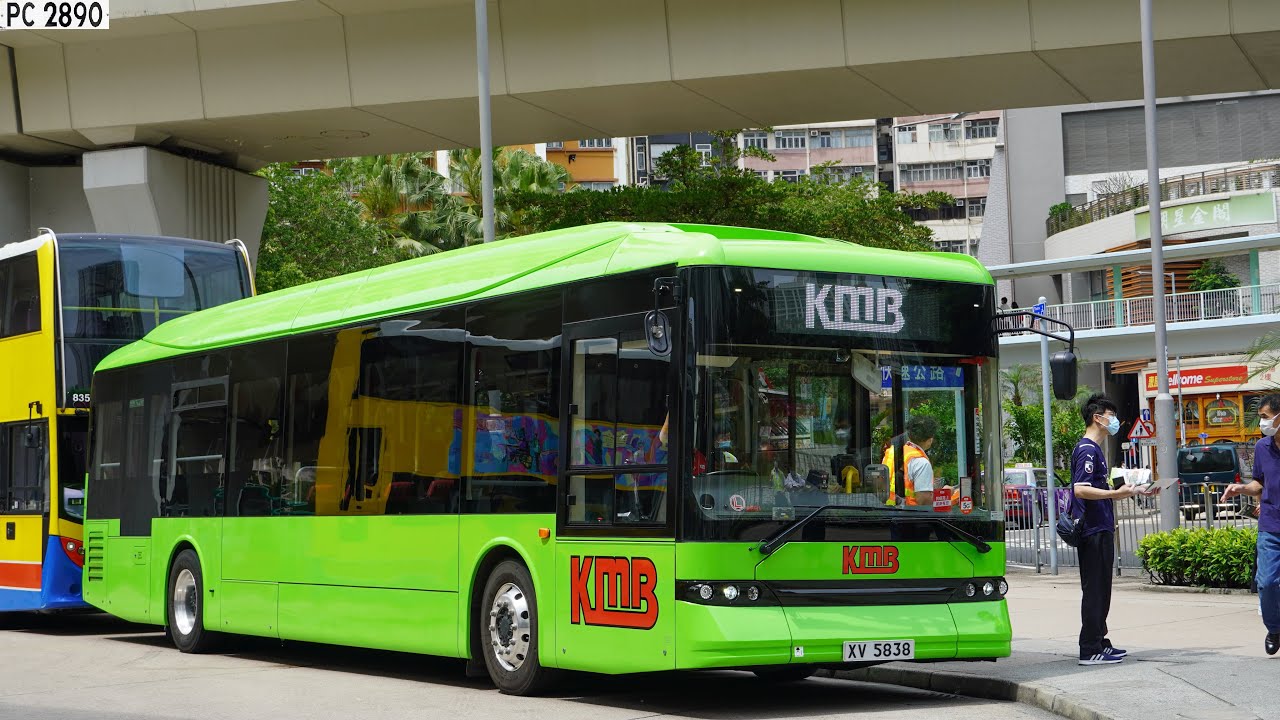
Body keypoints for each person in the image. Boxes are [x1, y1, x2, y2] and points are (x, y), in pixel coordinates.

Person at [1070, 394, 1138, 665]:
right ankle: (1089, 649)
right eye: (1111, 416)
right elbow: (1081, 489)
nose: (1115, 422)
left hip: (1101, 527)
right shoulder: (1087, 449)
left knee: (1102, 589)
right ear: (1098, 418)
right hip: (1093, 530)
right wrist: (1115, 495)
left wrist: (1124, 490)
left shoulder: (1095, 450)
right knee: (1096, 590)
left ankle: (1100, 641)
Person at [1221, 392, 1280, 655]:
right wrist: (1241, 489)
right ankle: (1275, 628)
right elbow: (1259, 482)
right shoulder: (1261, 448)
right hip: (1270, 526)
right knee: (1267, 582)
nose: (1263, 424)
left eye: (1266, 418)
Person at [882, 415, 953, 506]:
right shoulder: (921, 463)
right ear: (930, 440)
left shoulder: (893, 453)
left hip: (888, 511)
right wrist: (946, 493)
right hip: (912, 515)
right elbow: (923, 501)